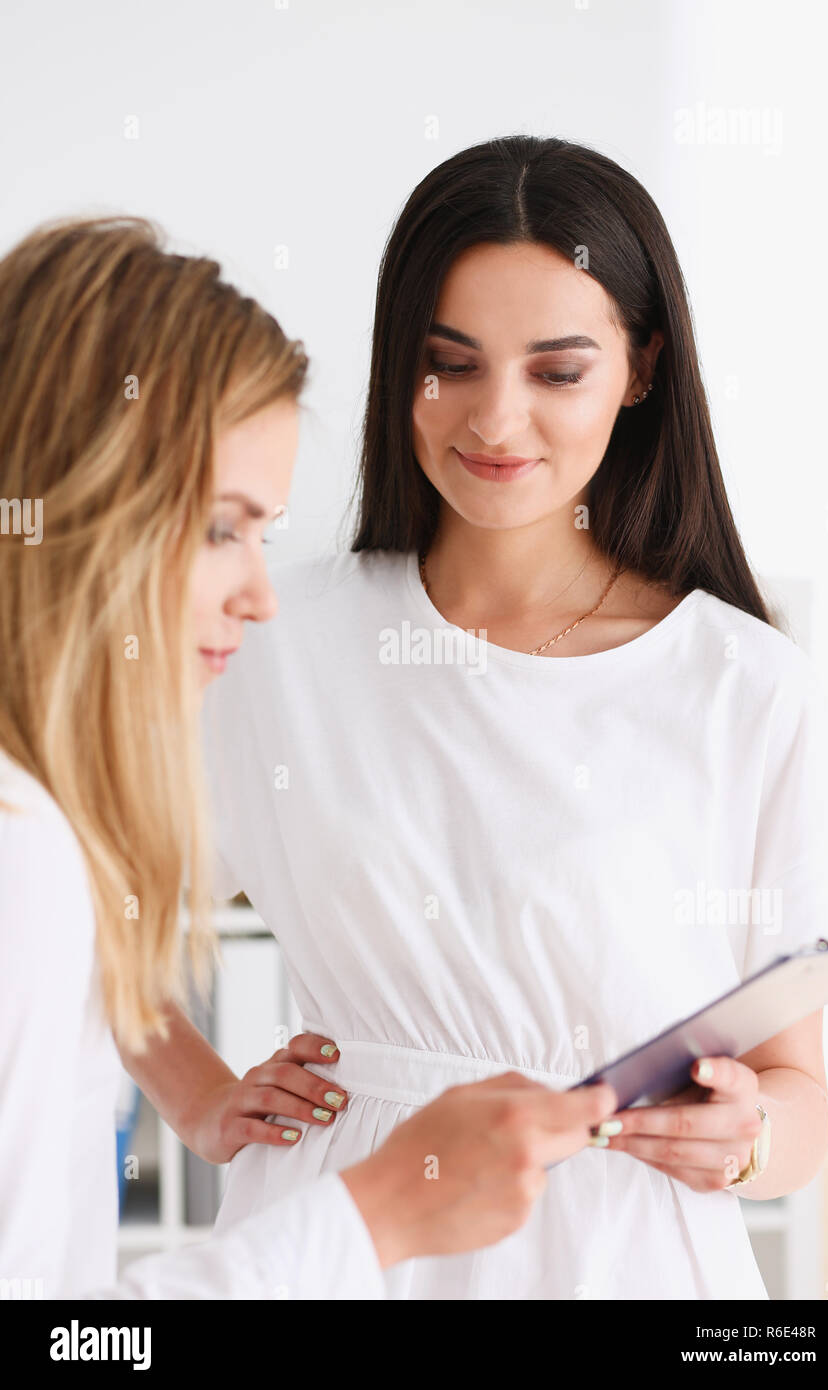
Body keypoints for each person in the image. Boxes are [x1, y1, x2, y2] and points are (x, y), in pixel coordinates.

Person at [136, 137, 828, 1299]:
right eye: (449, 362)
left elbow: (797, 1095)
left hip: (623, 1249)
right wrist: (195, 1093)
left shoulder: (747, 688)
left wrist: (745, 1141)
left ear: (640, 369)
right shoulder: (275, 635)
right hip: (347, 1230)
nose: (494, 419)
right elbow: (80, 903)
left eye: (556, 370)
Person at [0, 214, 619, 1300]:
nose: (259, 595)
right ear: (75, 506)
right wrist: (371, 1217)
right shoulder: (25, 867)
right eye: (216, 529)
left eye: (264, 532)